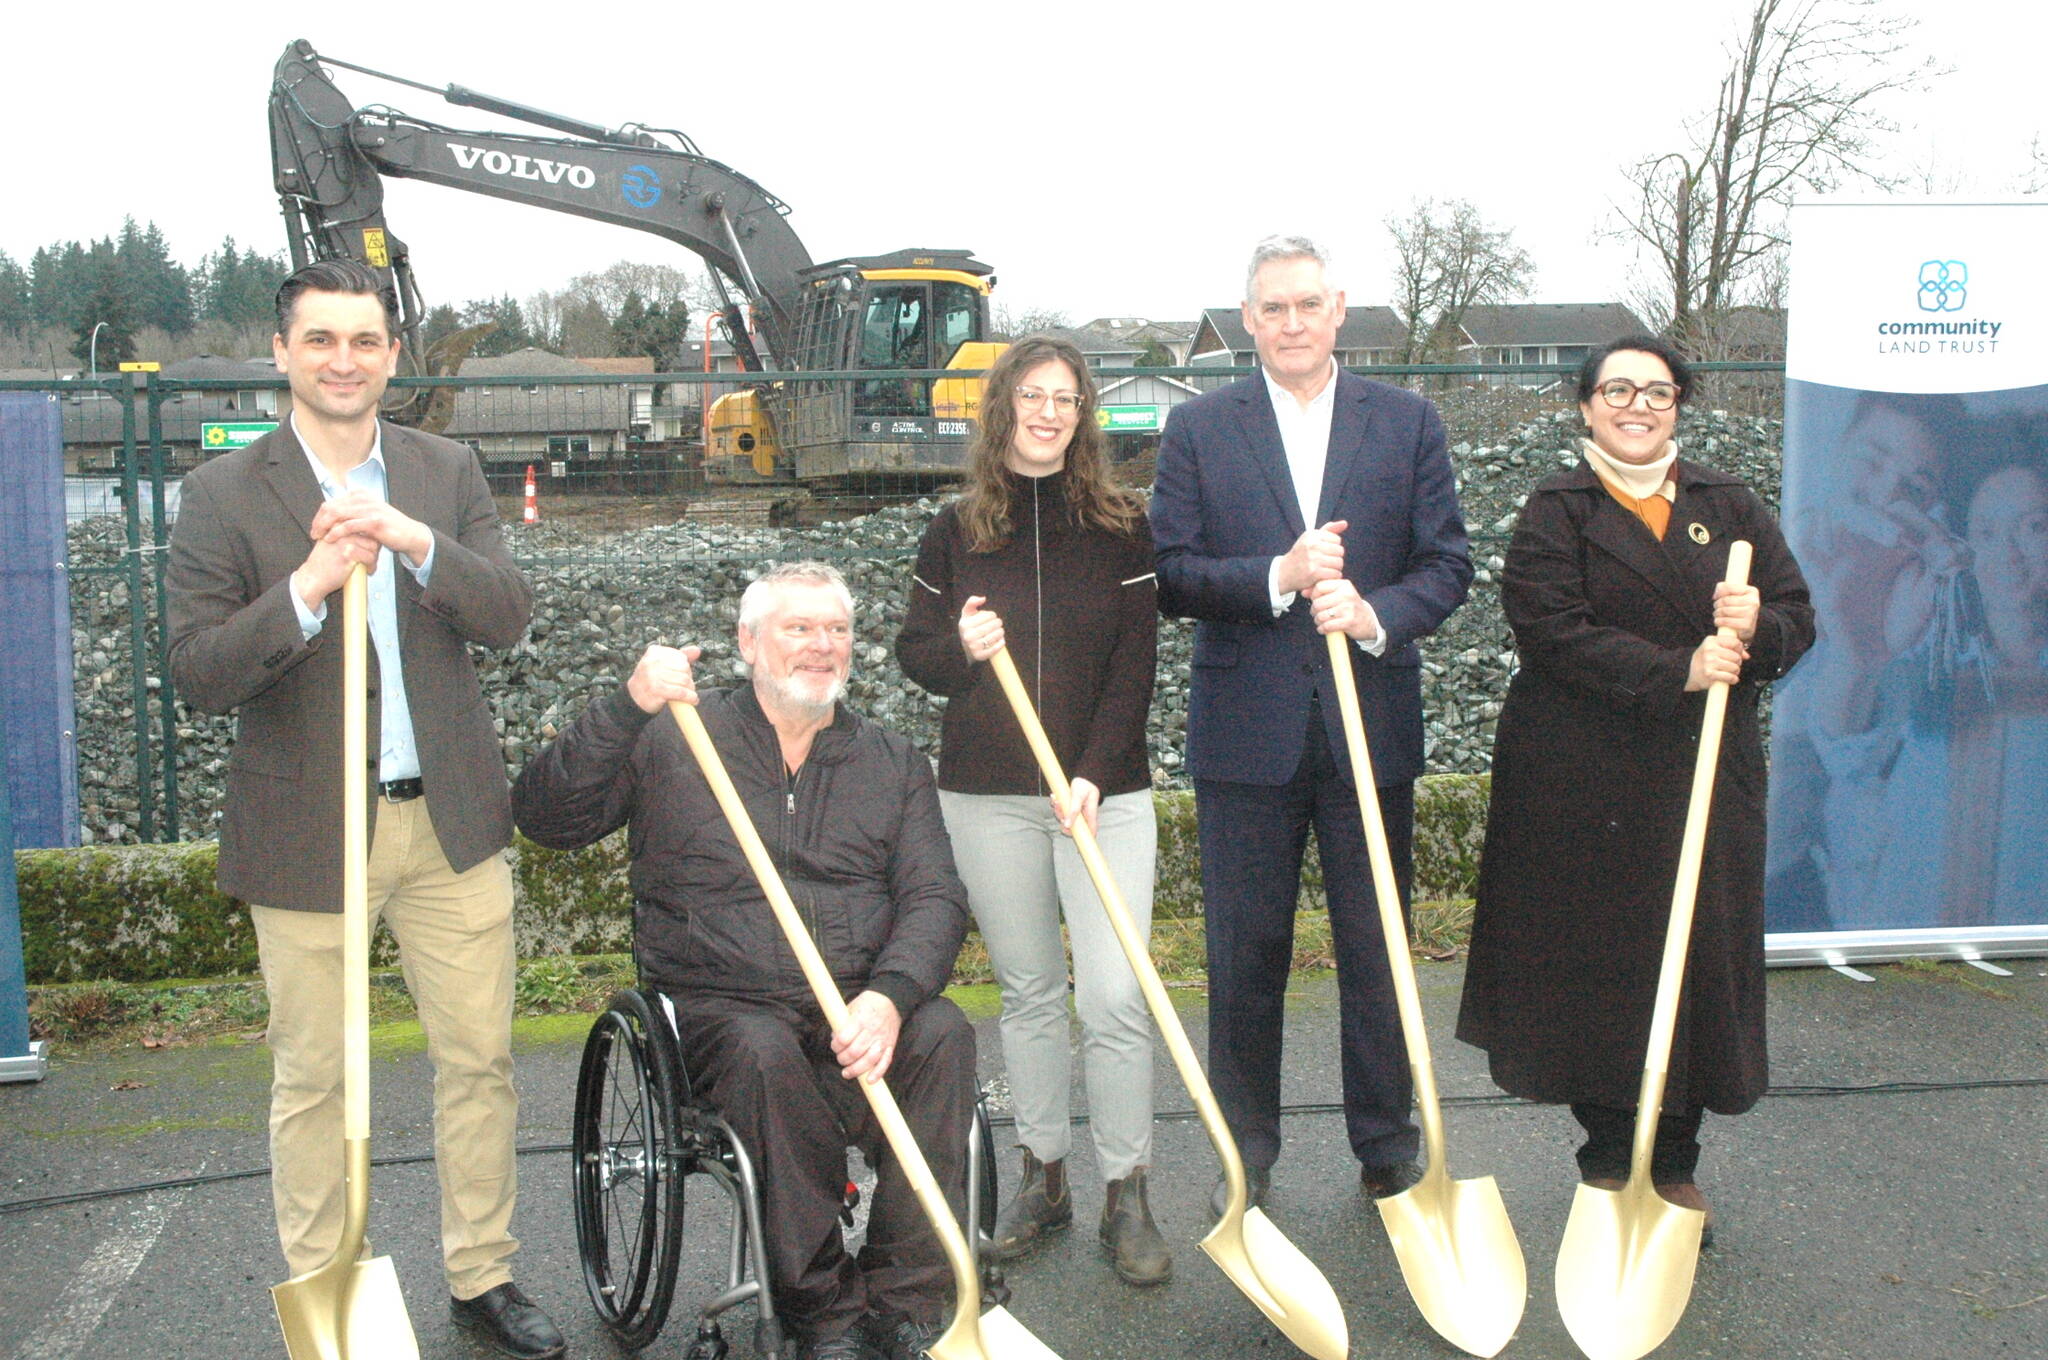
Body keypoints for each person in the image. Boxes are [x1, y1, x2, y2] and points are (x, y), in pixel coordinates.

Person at [166, 260, 559, 1357]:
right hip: (307, 830)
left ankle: (483, 1275)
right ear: (283, 353)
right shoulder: (223, 494)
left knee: (478, 1061)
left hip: (449, 826)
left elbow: (508, 614)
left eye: (365, 341)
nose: (344, 360)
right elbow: (199, 672)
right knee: (315, 1076)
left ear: (392, 356)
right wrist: (304, 586)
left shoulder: (443, 469)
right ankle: (330, 1288)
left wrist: (414, 540)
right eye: (321, 339)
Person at [512, 562, 975, 1360]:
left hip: (855, 1004)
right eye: (799, 628)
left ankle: (907, 1300)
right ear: (749, 643)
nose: (822, 646)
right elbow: (546, 817)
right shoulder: (674, 737)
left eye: (837, 630)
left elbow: (935, 896)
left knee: (943, 1032)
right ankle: (822, 1310)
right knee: (763, 1053)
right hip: (720, 1010)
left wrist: (890, 999)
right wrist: (627, 706)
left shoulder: (892, 761)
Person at [1456, 334, 1815, 1244]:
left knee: (1696, 957)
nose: (1637, 406)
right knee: (1601, 965)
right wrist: (1678, 669)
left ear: (1679, 404)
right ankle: (1611, 1157)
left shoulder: (1728, 505)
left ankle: (1677, 1162)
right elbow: (1550, 631)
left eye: (1656, 391)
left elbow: (1797, 615)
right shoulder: (1557, 510)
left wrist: (1759, 625)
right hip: (1583, 778)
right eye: (1617, 390)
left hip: (1703, 772)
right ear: (1586, 406)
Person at [1150, 236, 1473, 1213]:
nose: (1291, 323)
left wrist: (1373, 615)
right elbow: (1171, 573)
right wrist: (1276, 577)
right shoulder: (1199, 428)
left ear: (1338, 311)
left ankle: (1386, 1146)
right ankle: (1244, 1152)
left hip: (1368, 725)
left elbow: (1446, 564)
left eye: (1307, 305)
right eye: (1272, 308)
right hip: (1245, 737)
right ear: (1247, 321)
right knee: (1243, 956)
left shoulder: (1406, 422)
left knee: (1376, 950)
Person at [894, 335, 1167, 1284]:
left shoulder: (1123, 525)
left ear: (1082, 414)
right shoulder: (956, 528)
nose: (1049, 413)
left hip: (1105, 795)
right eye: (1033, 396)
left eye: (1066, 398)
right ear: (1003, 405)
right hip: (987, 796)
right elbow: (916, 655)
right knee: (1032, 993)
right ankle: (1043, 1176)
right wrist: (962, 648)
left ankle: (1127, 1189)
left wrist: (1092, 772)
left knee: (1115, 995)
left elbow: (1136, 666)